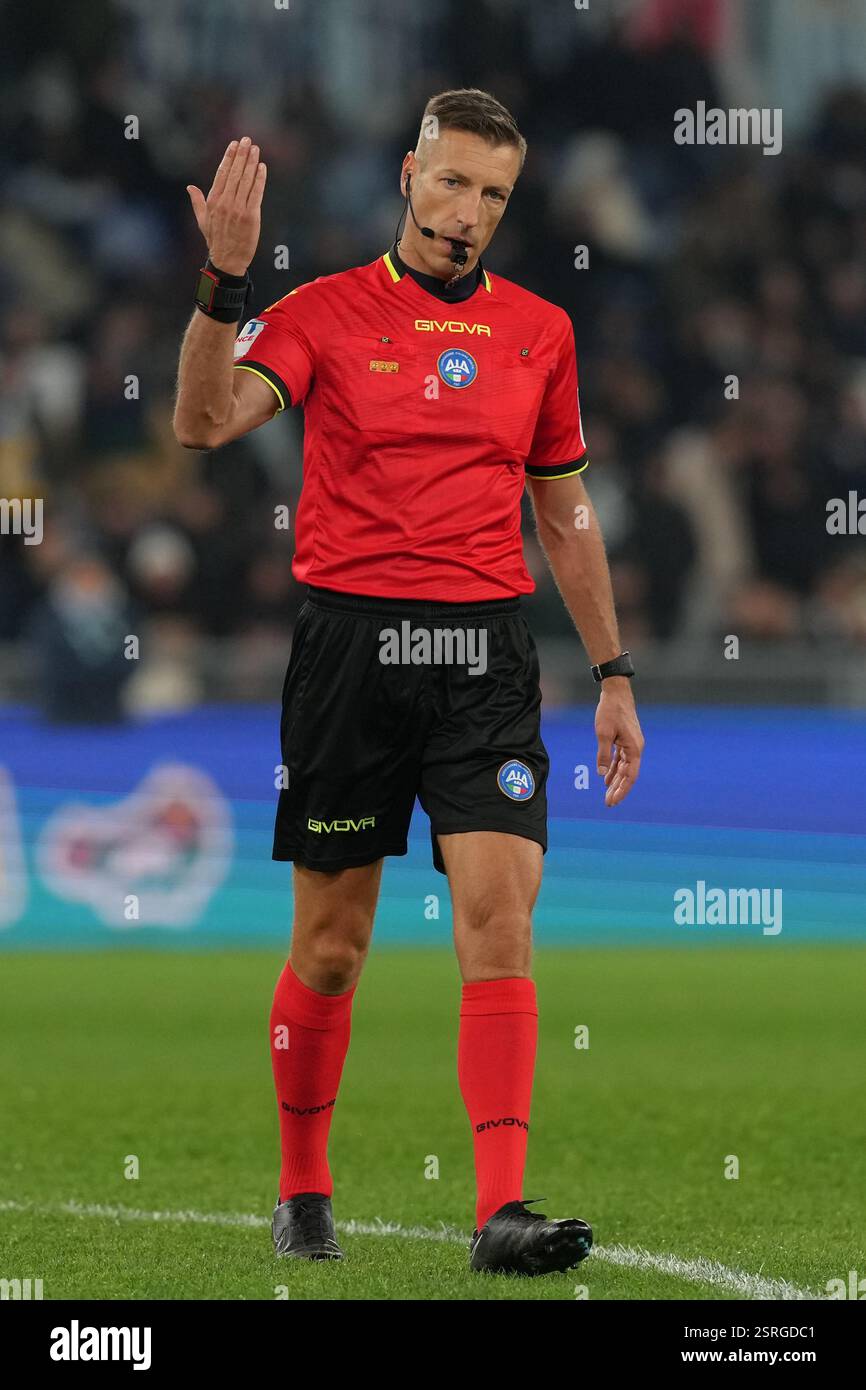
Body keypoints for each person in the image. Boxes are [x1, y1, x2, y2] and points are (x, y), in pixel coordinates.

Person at [173, 88, 644, 1277]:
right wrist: (222, 286)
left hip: (484, 654)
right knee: (332, 947)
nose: (467, 212)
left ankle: (499, 1211)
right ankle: (302, 1187)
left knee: (500, 922)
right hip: (350, 652)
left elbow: (563, 509)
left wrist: (613, 670)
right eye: (452, 183)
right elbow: (202, 421)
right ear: (406, 175)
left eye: (493, 195)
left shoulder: (539, 331)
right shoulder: (320, 313)